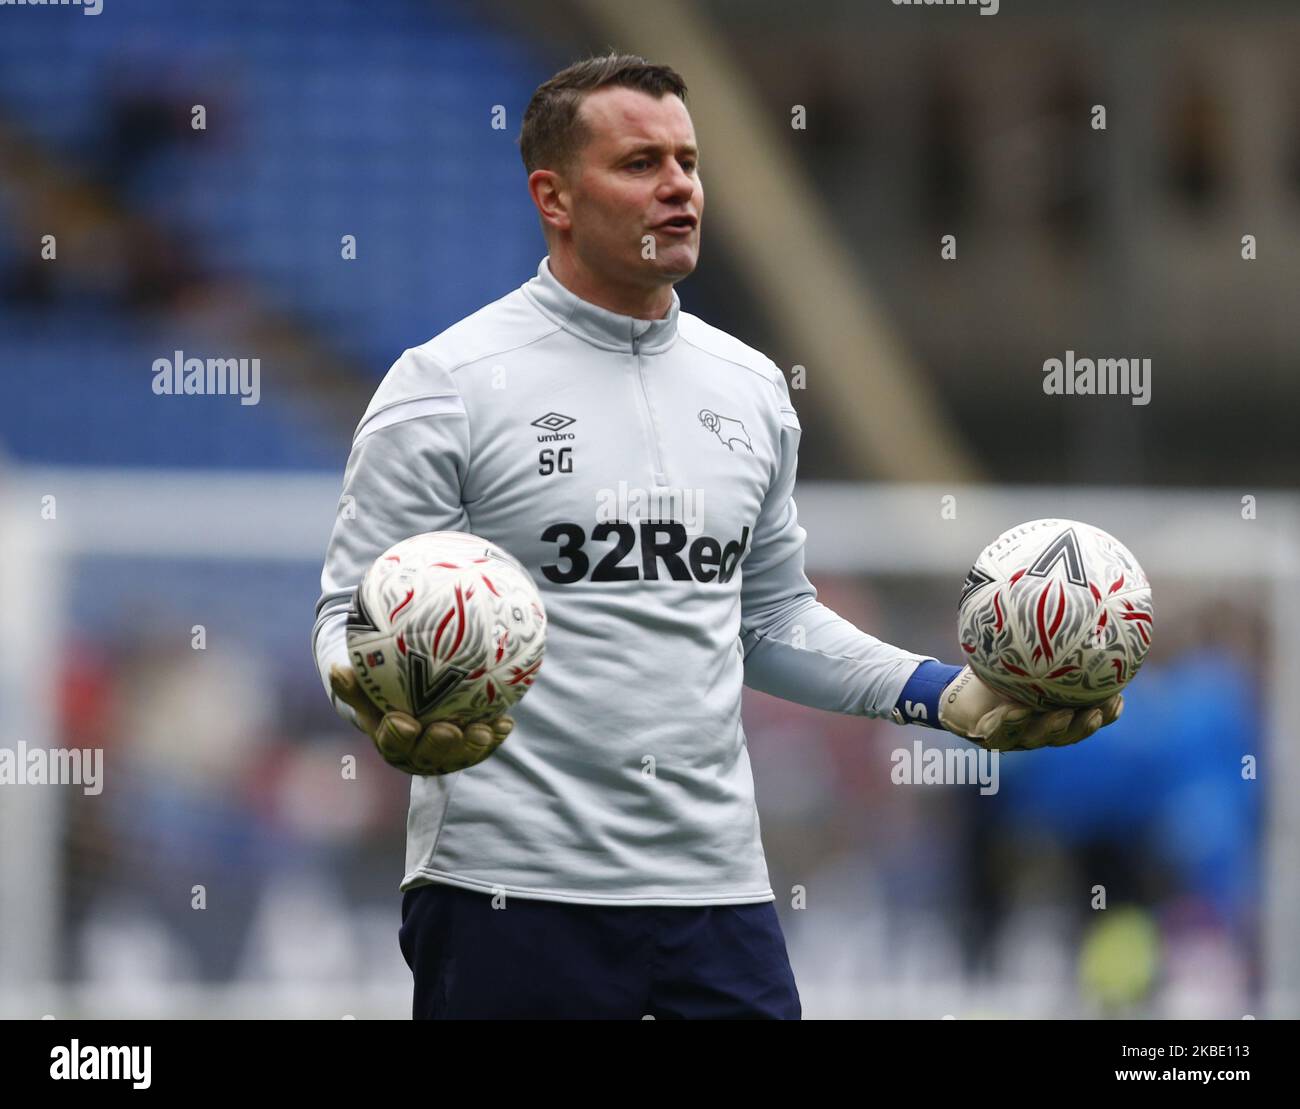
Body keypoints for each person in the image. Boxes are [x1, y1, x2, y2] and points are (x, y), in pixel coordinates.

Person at [311, 52, 1122, 1020]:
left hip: (715, 895)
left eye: (688, 162)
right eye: (640, 163)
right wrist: (371, 691)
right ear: (554, 196)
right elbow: (342, 614)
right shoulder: (446, 383)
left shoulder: (749, 387)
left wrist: (943, 694)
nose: (679, 187)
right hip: (509, 890)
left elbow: (771, 617)